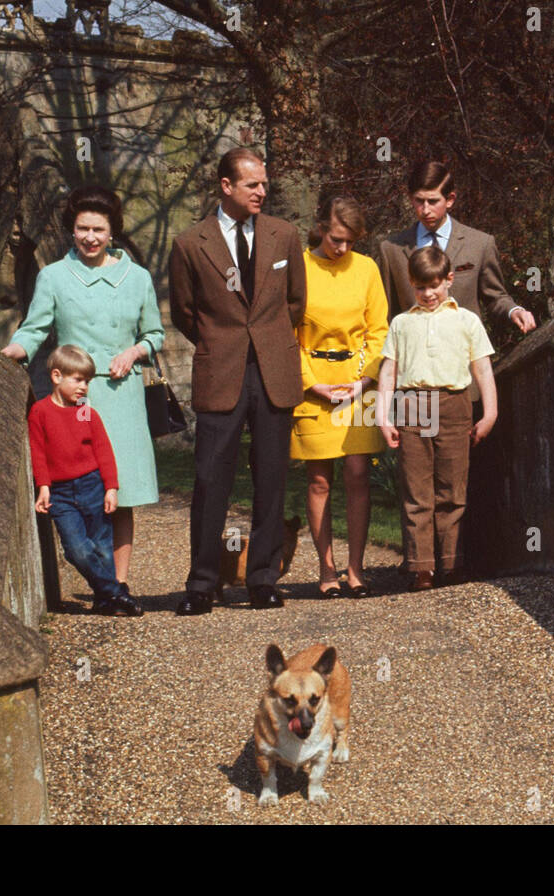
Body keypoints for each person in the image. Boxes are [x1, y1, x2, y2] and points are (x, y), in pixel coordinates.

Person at [1, 185, 165, 605]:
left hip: (122, 396)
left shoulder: (138, 278)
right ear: (71, 231)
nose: (90, 237)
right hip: (77, 402)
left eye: (98, 229)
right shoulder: (54, 276)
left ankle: (119, 584)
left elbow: (155, 335)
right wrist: (12, 352)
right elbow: (35, 328)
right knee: (80, 491)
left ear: (113, 232)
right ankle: (102, 582)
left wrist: (133, 352)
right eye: (81, 229)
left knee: (119, 494)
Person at [168, 147, 307, 615]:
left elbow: (295, 303)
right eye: (253, 185)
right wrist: (221, 343)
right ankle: (203, 583)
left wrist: (266, 341)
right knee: (210, 480)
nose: (262, 192)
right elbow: (186, 312)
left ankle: (264, 580)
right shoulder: (190, 243)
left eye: (264, 183)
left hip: (274, 370)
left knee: (271, 478)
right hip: (220, 371)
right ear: (226, 186)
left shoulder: (285, 235)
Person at [378, 246, 497, 591]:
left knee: (452, 488)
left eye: (434, 286)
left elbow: (483, 370)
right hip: (414, 405)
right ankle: (421, 567)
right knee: (417, 491)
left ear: (449, 280)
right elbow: (389, 371)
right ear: (411, 285)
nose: (428, 294)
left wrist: (490, 412)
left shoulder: (466, 320)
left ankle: (452, 563)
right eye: (419, 287)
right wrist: (385, 419)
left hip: (455, 404)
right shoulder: (402, 322)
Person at [292, 196, 388, 598]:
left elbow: (379, 331)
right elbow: (286, 330)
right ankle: (327, 571)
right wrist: (310, 382)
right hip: (312, 384)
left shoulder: (366, 268)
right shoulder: (298, 266)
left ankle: (356, 569)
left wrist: (364, 381)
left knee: (358, 474)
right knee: (318, 481)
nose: (342, 248)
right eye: (335, 239)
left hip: (356, 384)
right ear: (320, 228)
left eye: (350, 241)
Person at [29, 344, 140, 617]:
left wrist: (111, 487)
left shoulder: (83, 410)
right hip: (60, 493)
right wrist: (43, 487)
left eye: (87, 382)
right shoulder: (40, 412)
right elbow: (38, 453)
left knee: (102, 545)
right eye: (78, 380)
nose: (84, 387)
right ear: (56, 376)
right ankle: (115, 593)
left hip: (92, 485)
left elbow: (103, 449)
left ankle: (105, 601)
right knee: (76, 549)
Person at [376, 160, 536, 333]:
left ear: (450, 199)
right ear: (411, 199)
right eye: (419, 201)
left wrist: (514, 311)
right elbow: (385, 313)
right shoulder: (391, 249)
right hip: (413, 355)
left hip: (466, 354)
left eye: (433, 201)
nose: (425, 210)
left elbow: (495, 296)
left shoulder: (480, 244)